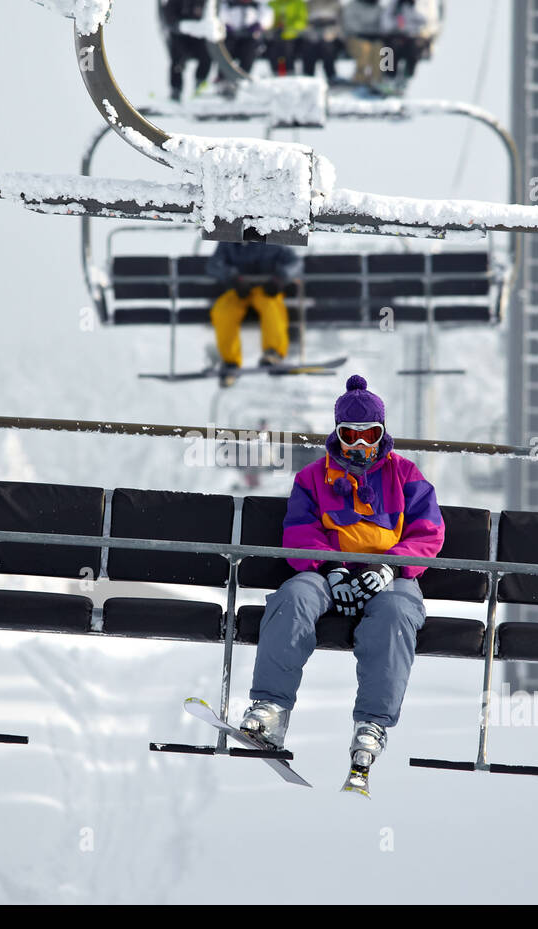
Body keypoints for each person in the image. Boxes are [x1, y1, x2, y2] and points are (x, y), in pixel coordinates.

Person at [240, 375, 445, 777]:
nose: (360, 445)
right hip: (327, 574)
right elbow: (300, 530)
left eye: (370, 434)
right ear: (338, 434)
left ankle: (372, 723)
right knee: (294, 596)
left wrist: (388, 567)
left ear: (382, 433)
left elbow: (428, 532)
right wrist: (332, 567)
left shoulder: (405, 475)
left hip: (391, 578)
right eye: (350, 434)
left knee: (396, 613)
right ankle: (271, 709)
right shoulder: (313, 478)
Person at [206, 241, 303, 387]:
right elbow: (214, 265)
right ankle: (230, 362)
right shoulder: (229, 241)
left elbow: (294, 263)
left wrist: (280, 278)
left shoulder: (272, 238)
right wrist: (233, 278)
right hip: (238, 291)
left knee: (272, 308)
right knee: (223, 311)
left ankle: (273, 353)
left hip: (265, 289)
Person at [163, 0, 215, 101]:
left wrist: (202, 28)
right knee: (177, 60)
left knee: (207, 55)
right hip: (179, 36)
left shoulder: (205, 2)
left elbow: (211, 17)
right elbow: (169, 18)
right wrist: (183, 26)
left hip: (199, 37)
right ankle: (176, 90)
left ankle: (200, 84)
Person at [341, 0, 386, 94]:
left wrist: (375, 34)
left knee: (380, 49)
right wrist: (367, 32)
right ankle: (359, 80)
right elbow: (350, 25)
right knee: (365, 49)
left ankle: (376, 81)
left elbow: (384, 24)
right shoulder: (352, 6)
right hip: (355, 38)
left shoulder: (379, 8)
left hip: (373, 39)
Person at [298, 0, 343, 84]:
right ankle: (308, 75)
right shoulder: (308, 4)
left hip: (331, 33)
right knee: (309, 45)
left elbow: (341, 23)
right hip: (312, 33)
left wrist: (333, 32)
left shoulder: (335, 4)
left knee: (327, 46)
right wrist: (309, 32)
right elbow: (302, 23)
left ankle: (331, 75)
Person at [220, 0, 268, 75]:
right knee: (225, 51)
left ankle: (244, 74)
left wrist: (259, 25)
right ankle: (223, 75)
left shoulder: (257, 5)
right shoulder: (228, 3)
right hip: (231, 35)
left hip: (249, 36)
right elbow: (221, 14)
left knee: (249, 53)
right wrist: (226, 25)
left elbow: (266, 16)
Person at [266, 0, 308, 76]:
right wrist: (272, 28)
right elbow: (267, 20)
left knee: (287, 50)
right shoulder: (272, 3)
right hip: (276, 35)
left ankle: (290, 71)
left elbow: (301, 21)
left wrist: (288, 28)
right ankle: (276, 72)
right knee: (273, 50)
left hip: (293, 35)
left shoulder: (298, 3)